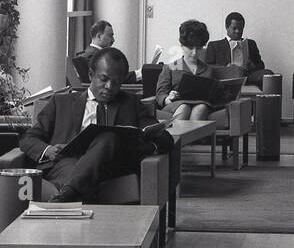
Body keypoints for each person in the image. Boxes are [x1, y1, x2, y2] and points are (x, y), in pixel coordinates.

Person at [21, 47, 169, 201]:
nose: (109, 87)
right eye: (104, 79)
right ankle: (68, 195)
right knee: (77, 173)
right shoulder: (60, 103)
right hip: (66, 163)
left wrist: (140, 144)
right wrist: (48, 150)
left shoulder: (131, 104)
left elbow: (163, 137)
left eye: (117, 83)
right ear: (91, 75)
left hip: (110, 168)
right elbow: (28, 139)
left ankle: (64, 196)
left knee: (108, 137)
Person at [156, 21, 230, 122]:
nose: (194, 53)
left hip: (202, 104)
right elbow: (160, 94)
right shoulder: (170, 67)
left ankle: (190, 137)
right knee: (184, 107)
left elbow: (217, 95)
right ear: (182, 45)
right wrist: (168, 98)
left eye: (199, 48)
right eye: (190, 48)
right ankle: (177, 137)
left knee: (201, 107)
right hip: (177, 104)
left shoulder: (208, 70)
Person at [204, 12, 265, 85]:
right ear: (227, 27)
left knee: (268, 74)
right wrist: (225, 68)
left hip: (247, 76)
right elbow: (207, 67)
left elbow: (261, 65)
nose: (237, 31)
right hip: (226, 76)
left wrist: (253, 66)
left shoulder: (251, 44)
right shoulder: (214, 45)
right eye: (234, 28)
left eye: (240, 29)